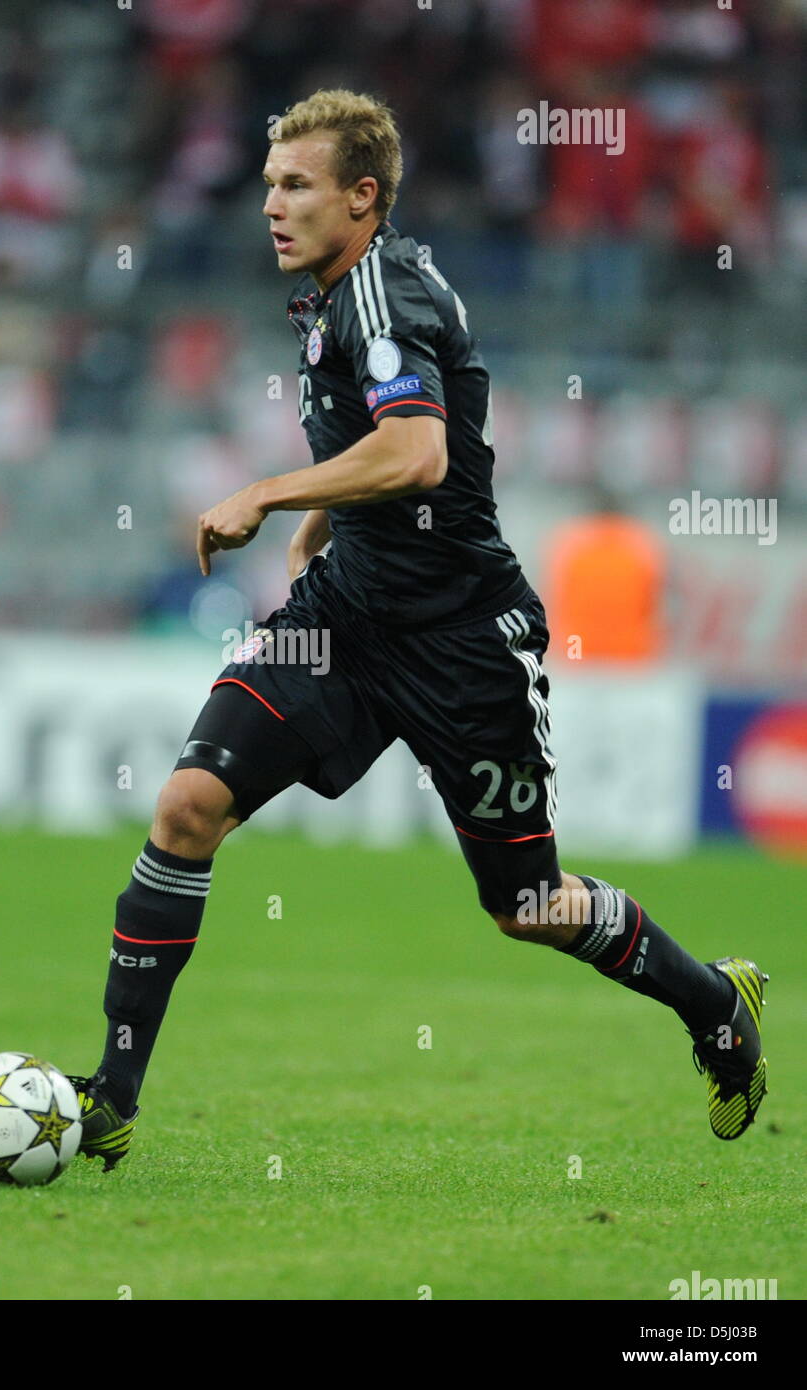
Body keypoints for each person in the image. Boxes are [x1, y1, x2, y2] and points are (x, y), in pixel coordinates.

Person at [67, 90, 767, 1167]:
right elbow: (377, 453)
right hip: (346, 617)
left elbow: (417, 454)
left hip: (461, 639)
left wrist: (269, 494)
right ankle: (109, 1097)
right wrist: (323, 525)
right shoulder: (339, 291)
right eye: (265, 184)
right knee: (189, 803)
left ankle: (713, 1004)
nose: (271, 205)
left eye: (295, 185)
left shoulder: (379, 296)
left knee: (525, 902)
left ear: (362, 194)